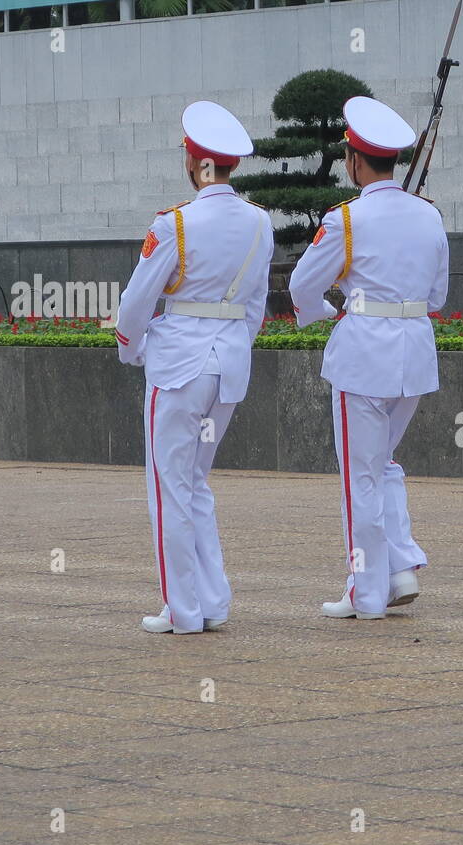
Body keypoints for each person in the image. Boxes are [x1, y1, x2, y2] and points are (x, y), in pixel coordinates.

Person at [114, 100, 274, 635]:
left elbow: (137, 304)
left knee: (170, 485)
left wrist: (130, 346)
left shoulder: (175, 224)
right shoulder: (259, 223)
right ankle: (212, 600)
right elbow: (255, 308)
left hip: (178, 364)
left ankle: (183, 610)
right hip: (228, 368)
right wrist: (231, 343)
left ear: (195, 160)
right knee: (196, 483)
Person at [288, 96, 449, 620]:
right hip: (414, 359)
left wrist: (329, 310)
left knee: (360, 478)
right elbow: (439, 297)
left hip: (362, 360)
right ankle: (400, 568)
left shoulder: (346, 220)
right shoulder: (429, 216)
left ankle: (365, 593)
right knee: (381, 466)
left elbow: (302, 285)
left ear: (355, 160)